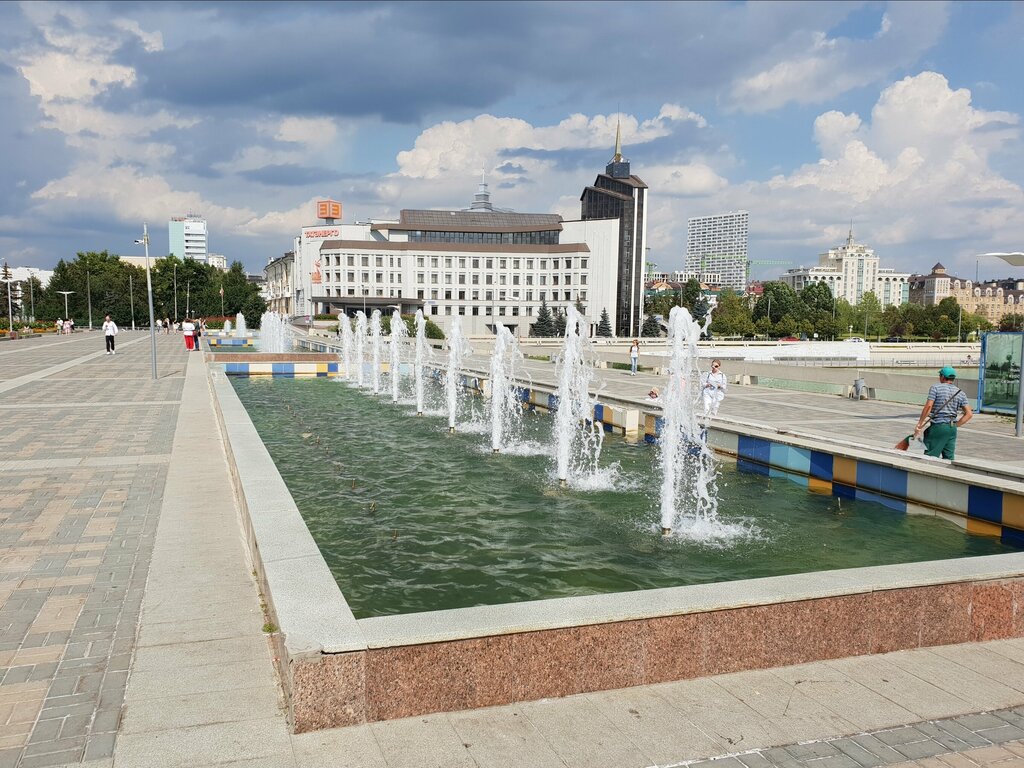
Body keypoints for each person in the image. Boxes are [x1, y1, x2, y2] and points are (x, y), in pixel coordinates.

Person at [913, 366, 973, 460]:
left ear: (942, 376)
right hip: (951, 429)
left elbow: (928, 406)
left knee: (930, 457)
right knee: (948, 459)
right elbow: (969, 414)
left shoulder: (935, 388)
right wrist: (955, 425)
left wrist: (920, 424)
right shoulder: (960, 392)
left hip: (938, 427)